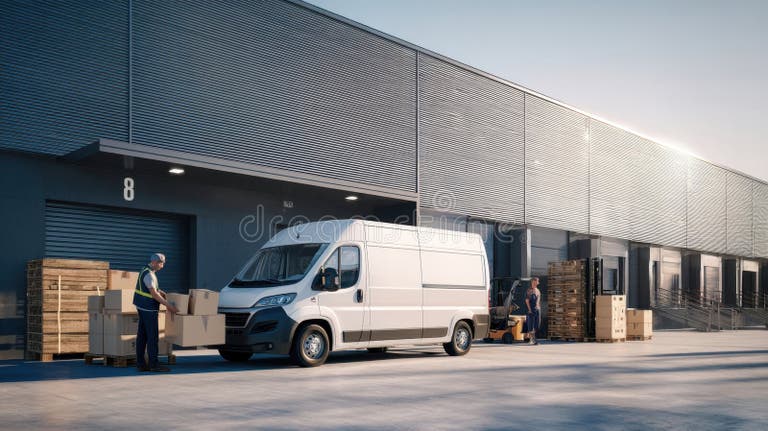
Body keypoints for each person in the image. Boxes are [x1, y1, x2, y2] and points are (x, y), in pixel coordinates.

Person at [133, 253, 179, 372]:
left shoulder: (145, 270)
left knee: (142, 336)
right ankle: (154, 364)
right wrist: (169, 306)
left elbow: (153, 289)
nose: (162, 266)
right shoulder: (149, 274)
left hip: (141, 306)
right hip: (148, 308)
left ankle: (141, 364)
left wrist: (162, 292)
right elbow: (153, 294)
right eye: (161, 263)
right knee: (152, 337)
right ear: (154, 262)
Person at [525, 277, 542, 345]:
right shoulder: (529, 291)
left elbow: (538, 299)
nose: (536, 283)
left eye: (537, 282)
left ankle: (531, 338)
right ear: (532, 282)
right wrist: (529, 309)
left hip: (537, 310)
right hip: (531, 310)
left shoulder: (538, 290)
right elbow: (527, 301)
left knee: (537, 325)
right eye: (534, 282)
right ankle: (533, 340)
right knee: (531, 325)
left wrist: (538, 307)